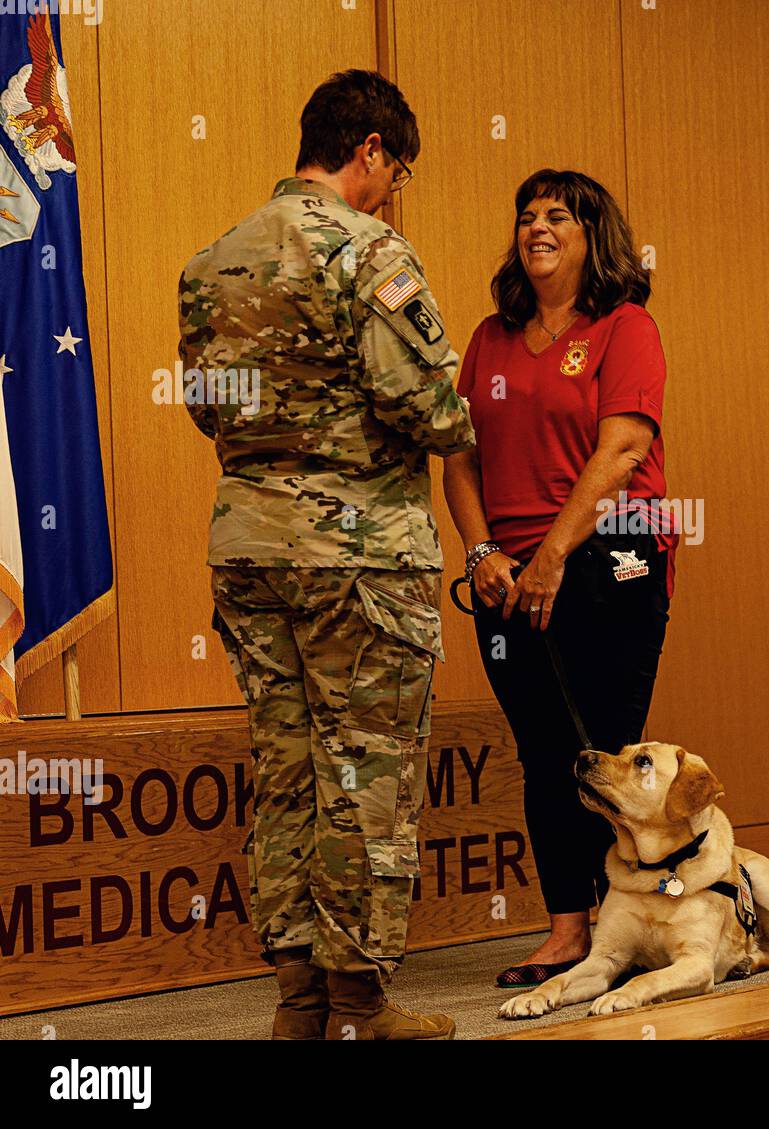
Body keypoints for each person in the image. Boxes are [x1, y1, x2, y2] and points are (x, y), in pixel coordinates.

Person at [179, 69, 474, 1039]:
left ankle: (297, 1003)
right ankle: (357, 1004)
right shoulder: (371, 251)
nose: (392, 190)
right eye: (396, 170)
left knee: (289, 769)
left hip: (249, 548)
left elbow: (206, 410)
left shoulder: (213, 262)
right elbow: (426, 407)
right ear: (371, 151)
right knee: (366, 770)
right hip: (359, 557)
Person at [444, 169, 675, 989]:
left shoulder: (624, 326)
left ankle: (635, 923)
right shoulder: (490, 336)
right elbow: (460, 457)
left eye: (558, 216)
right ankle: (567, 930)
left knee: (605, 753)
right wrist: (483, 554)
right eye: (527, 215)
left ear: (591, 234)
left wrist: (551, 557)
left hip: (611, 559)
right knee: (544, 753)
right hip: (507, 574)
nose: (537, 227)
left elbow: (621, 452)